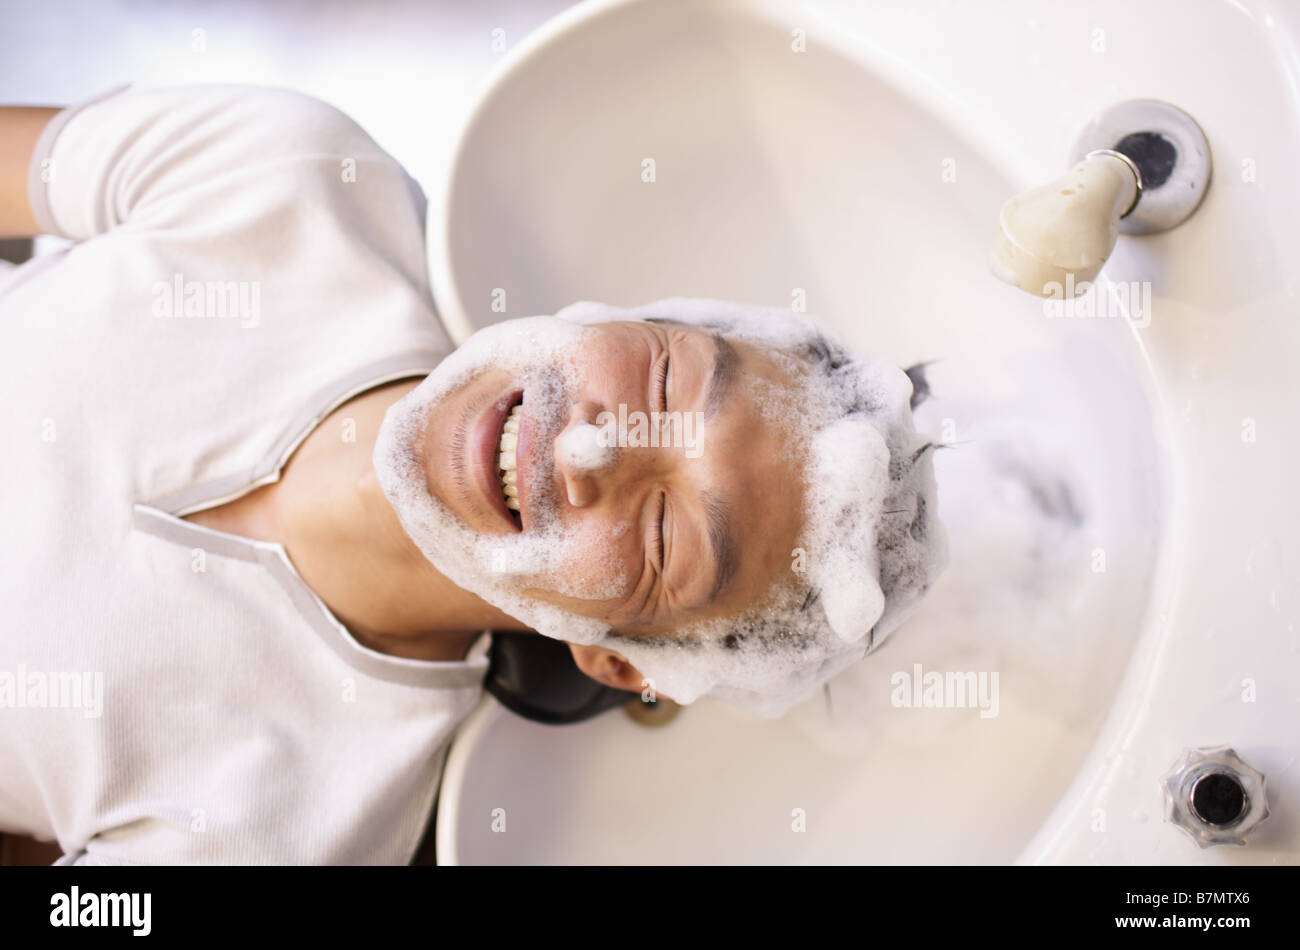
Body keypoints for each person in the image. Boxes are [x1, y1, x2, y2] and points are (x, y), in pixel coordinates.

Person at [0, 83, 941, 865]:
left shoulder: (289, 830)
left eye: (665, 537)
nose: (589, 449)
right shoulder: (295, 177)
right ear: (623, 313)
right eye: (663, 375)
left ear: (618, 658)